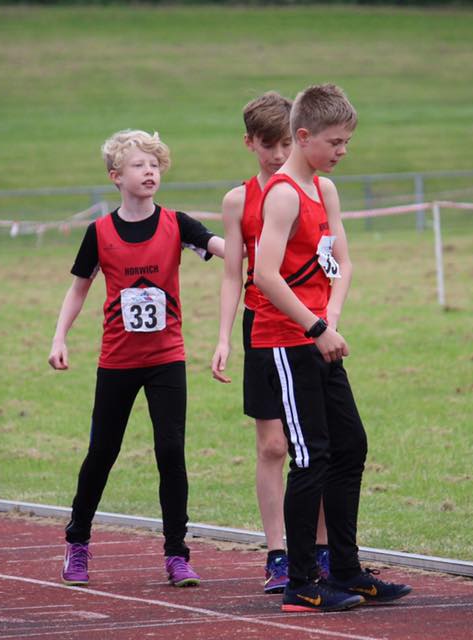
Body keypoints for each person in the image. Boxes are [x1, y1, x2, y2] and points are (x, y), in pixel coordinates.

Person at [253, 84, 411, 613]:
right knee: (310, 456)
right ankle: (301, 582)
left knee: (350, 446)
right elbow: (265, 275)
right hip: (286, 342)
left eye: (347, 141)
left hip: (320, 339)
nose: (343, 150)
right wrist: (315, 327)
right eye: (335, 142)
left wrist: (331, 319)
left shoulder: (325, 190)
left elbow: (341, 261)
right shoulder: (282, 194)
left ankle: (345, 568)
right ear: (303, 136)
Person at [48, 129, 224, 589]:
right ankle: (77, 542)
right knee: (102, 453)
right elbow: (79, 289)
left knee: (171, 452)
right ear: (116, 176)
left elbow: (222, 248)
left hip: (167, 358)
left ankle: (177, 554)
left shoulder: (177, 224)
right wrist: (59, 338)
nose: (150, 172)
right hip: (117, 361)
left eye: (155, 165)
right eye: (139, 165)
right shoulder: (99, 233)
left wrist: (258, 246)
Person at [211, 92, 330, 594]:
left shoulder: (311, 188)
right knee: (274, 445)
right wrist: (223, 338)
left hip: (305, 326)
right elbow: (233, 274)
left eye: (285, 144)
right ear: (250, 144)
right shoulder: (238, 200)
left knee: (315, 444)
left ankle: (322, 551)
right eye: (268, 146)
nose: (278, 155)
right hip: (261, 330)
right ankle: (277, 553)